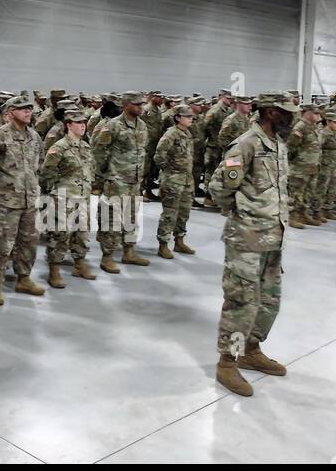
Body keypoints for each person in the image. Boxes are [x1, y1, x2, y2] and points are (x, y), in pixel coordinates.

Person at [207, 92, 297, 397]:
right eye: (286, 112)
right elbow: (219, 186)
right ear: (270, 112)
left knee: (269, 301)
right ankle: (227, 361)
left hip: (274, 235)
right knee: (241, 302)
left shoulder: (278, 144)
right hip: (246, 237)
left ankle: (250, 349)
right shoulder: (246, 144)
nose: (291, 117)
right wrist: (240, 214)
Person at [0, 96, 45, 305]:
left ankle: (23, 278)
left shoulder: (34, 136)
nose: (27, 112)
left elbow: (39, 162)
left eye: (29, 108)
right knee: (0, 244)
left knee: (28, 241)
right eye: (22, 109)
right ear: (10, 112)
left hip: (28, 199)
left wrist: (32, 183)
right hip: (4, 201)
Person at [91, 91, 151, 273]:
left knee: (132, 217)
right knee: (112, 220)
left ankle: (129, 251)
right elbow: (99, 152)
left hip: (134, 181)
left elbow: (142, 152)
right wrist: (105, 177)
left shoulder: (142, 126)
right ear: (126, 105)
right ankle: (107, 257)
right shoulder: (113, 126)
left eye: (142, 104)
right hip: (116, 181)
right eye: (137, 104)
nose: (141, 107)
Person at [41, 109, 97, 287]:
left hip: (83, 197)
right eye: (78, 122)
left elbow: (90, 170)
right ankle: (54, 270)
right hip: (63, 198)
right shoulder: (58, 147)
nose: (83, 125)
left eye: (84, 122)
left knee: (82, 233)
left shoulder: (85, 147)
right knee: (60, 234)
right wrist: (56, 193)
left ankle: (79, 264)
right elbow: (46, 173)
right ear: (68, 125)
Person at [152, 104, 197, 258]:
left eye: (192, 116)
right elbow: (159, 155)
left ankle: (179, 241)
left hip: (186, 179)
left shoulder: (187, 133)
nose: (191, 119)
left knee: (184, 212)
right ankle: (163, 244)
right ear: (178, 117)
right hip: (173, 179)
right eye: (188, 116)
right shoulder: (171, 134)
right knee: (170, 213)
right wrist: (170, 171)